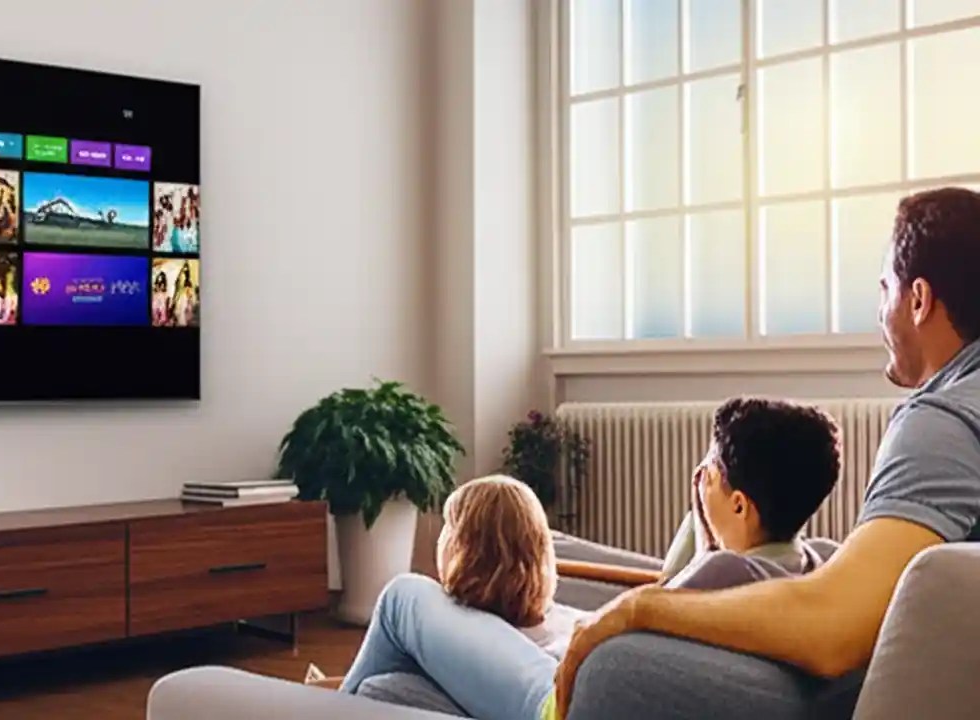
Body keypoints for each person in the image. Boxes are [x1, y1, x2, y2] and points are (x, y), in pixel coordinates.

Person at [554, 186, 980, 719]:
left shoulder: (944, 420)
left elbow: (835, 630)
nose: (879, 311)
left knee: (613, 670)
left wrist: (640, 608)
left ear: (918, 300)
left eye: (884, 289)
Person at [339, 397, 843, 720]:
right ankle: (340, 703)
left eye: (711, 468)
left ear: (740, 505)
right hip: (577, 688)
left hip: (556, 697)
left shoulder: (724, 572)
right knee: (389, 688)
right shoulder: (805, 569)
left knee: (405, 596)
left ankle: (319, 708)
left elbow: (636, 625)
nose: (701, 475)